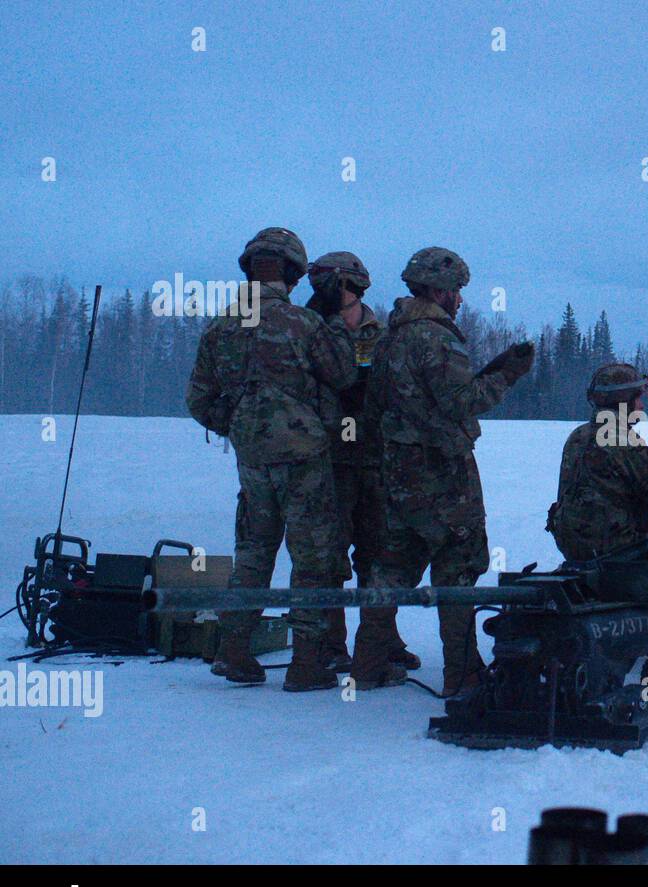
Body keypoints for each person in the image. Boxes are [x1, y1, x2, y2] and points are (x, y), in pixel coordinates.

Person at [186, 227, 356, 690]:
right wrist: (340, 317)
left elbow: (199, 401)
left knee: (254, 553)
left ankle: (234, 651)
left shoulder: (221, 327)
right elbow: (341, 374)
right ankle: (306, 663)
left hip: (252, 458)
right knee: (312, 557)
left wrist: (242, 422)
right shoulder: (302, 323)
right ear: (292, 273)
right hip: (304, 456)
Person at [363, 247, 534, 692]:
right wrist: (507, 376)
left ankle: (368, 662)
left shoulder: (390, 336)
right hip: (443, 472)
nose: (460, 299)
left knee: (393, 566)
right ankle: (462, 674)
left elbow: (378, 405)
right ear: (440, 290)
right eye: (456, 291)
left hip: (398, 472)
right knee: (457, 567)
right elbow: (461, 401)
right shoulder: (436, 337)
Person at [305, 252, 419, 674]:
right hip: (328, 457)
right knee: (328, 554)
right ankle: (331, 645)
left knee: (381, 554)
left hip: (375, 457)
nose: (323, 293)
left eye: (331, 285)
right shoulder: (309, 328)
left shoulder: (381, 333)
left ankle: (381, 640)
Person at [547, 362, 648, 561]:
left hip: (575, 546)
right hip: (618, 549)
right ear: (623, 401)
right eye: (638, 398)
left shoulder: (579, 435)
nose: (641, 405)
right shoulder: (622, 440)